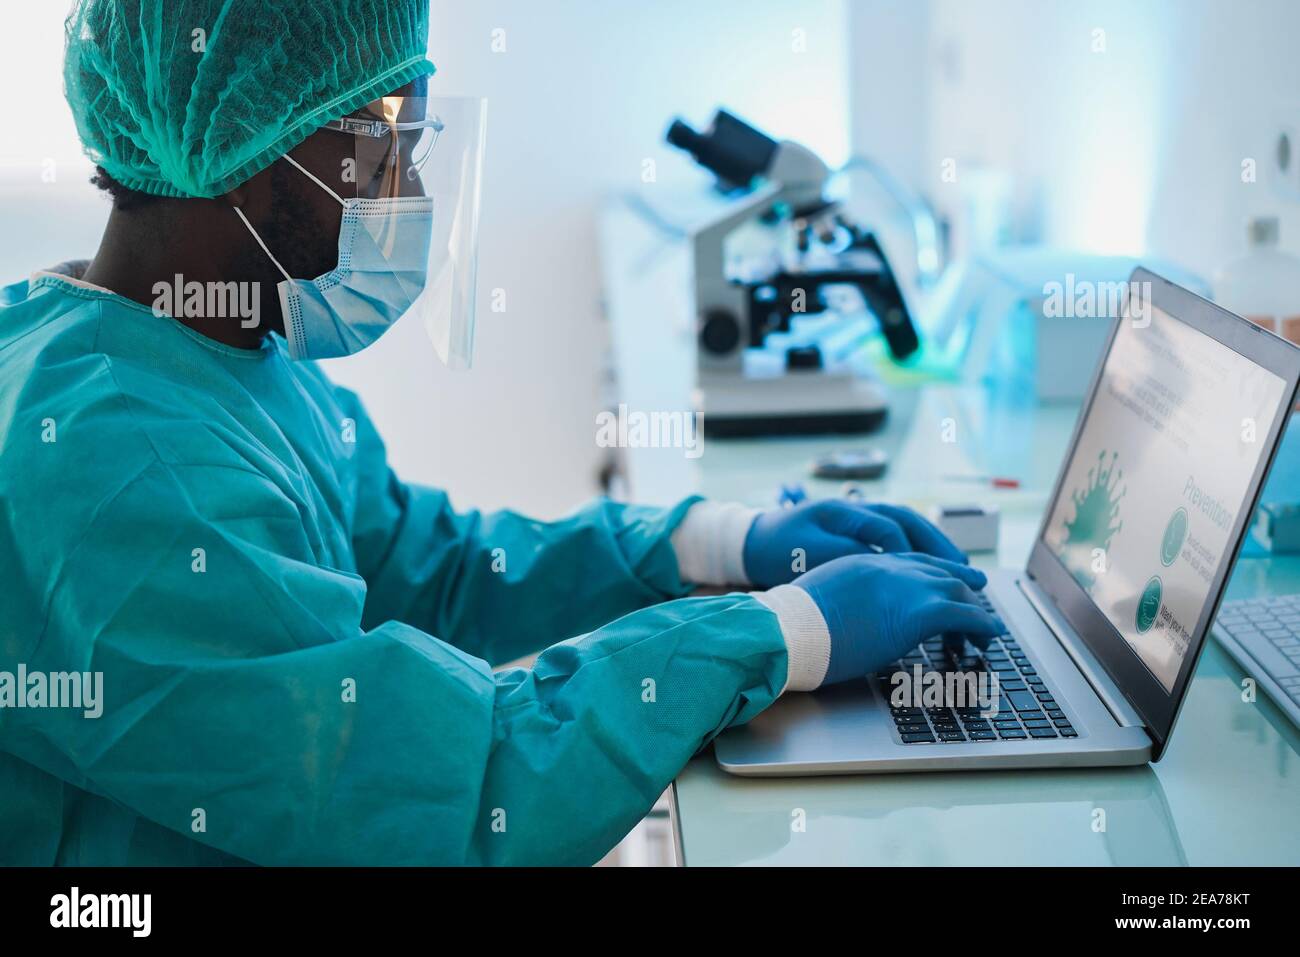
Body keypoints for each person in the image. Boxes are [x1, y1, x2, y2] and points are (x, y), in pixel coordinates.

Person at [0, 0, 1003, 865]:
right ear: (248, 159)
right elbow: (454, 790)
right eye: (379, 148)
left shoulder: (208, 349)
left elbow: (428, 570)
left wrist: (711, 544)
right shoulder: (118, 475)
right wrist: (785, 632)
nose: (409, 195)